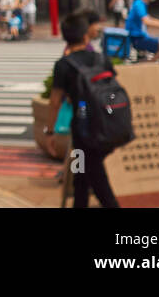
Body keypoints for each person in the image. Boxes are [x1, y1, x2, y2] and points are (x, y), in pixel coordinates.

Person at [46, 12, 120, 208]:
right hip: (105, 127)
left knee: (100, 186)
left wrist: (50, 132)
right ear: (86, 35)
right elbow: (114, 90)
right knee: (80, 177)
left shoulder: (63, 65)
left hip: (83, 130)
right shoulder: (101, 59)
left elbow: (54, 102)